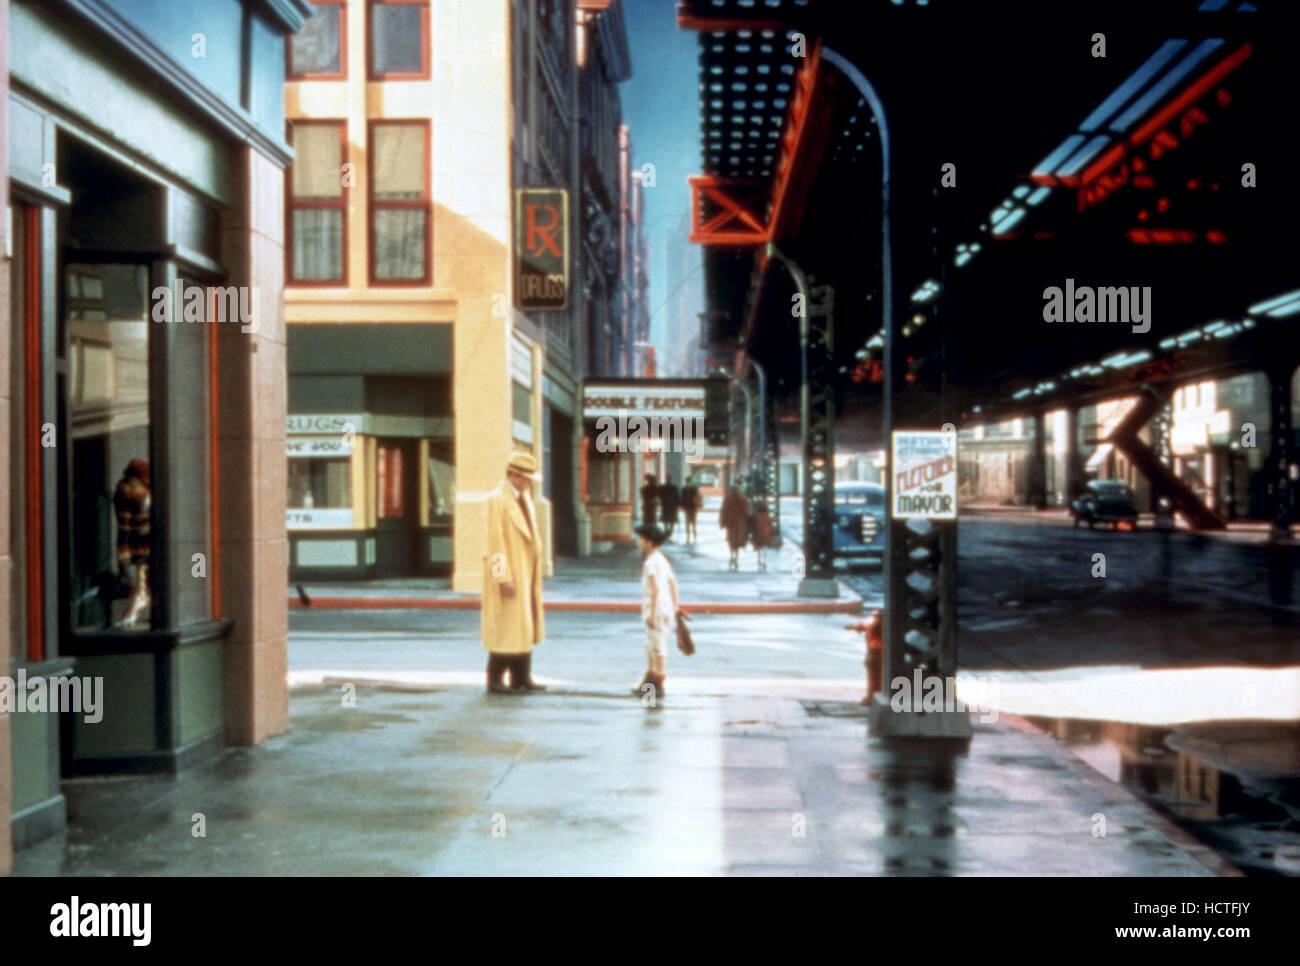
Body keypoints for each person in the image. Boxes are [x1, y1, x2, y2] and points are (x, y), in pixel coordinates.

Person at [481, 452, 546, 693]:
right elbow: (494, 542)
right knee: (506, 628)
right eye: (526, 478)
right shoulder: (497, 500)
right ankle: (496, 679)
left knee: (523, 626)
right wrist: (502, 577)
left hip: (526, 571)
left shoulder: (524, 498)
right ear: (513, 476)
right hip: (511, 572)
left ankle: (521, 676)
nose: (529, 482)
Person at [633, 524, 679, 701]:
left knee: (657, 648)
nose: (638, 542)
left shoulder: (650, 563)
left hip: (657, 610)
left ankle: (656, 686)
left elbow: (655, 589)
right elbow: (672, 584)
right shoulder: (661, 559)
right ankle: (648, 687)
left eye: (641, 538)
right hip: (665, 609)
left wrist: (652, 613)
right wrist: (675, 607)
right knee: (653, 646)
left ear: (649, 542)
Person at [113, 459, 152, 627]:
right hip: (143, 549)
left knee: (146, 590)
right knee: (143, 592)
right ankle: (129, 618)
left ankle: (130, 617)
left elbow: (124, 528)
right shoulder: (130, 492)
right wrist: (123, 557)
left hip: (145, 548)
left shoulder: (137, 490)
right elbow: (124, 527)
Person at [719, 485, 750, 572]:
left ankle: (732, 556)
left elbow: (723, 512)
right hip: (740, 523)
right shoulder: (743, 500)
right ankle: (736, 557)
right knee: (738, 540)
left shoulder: (727, 500)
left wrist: (722, 522)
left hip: (731, 523)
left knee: (731, 540)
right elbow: (747, 511)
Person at [750, 501, 774, 572]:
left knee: (759, 549)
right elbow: (770, 523)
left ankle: (759, 560)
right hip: (766, 533)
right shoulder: (767, 515)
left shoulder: (756, 515)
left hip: (758, 534)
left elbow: (753, 525)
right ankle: (764, 561)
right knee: (764, 548)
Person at [680, 476, 701, 545]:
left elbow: (698, 497)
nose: (688, 483)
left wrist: (698, 504)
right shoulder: (684, 489)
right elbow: (682, 498)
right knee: (688, 522)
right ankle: (688, 536)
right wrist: (682, 505)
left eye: (689, 481)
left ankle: (694, 535)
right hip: (688, 507)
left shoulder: (693, 489)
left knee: (693, 522)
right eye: (687, 481)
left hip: (693, 507)